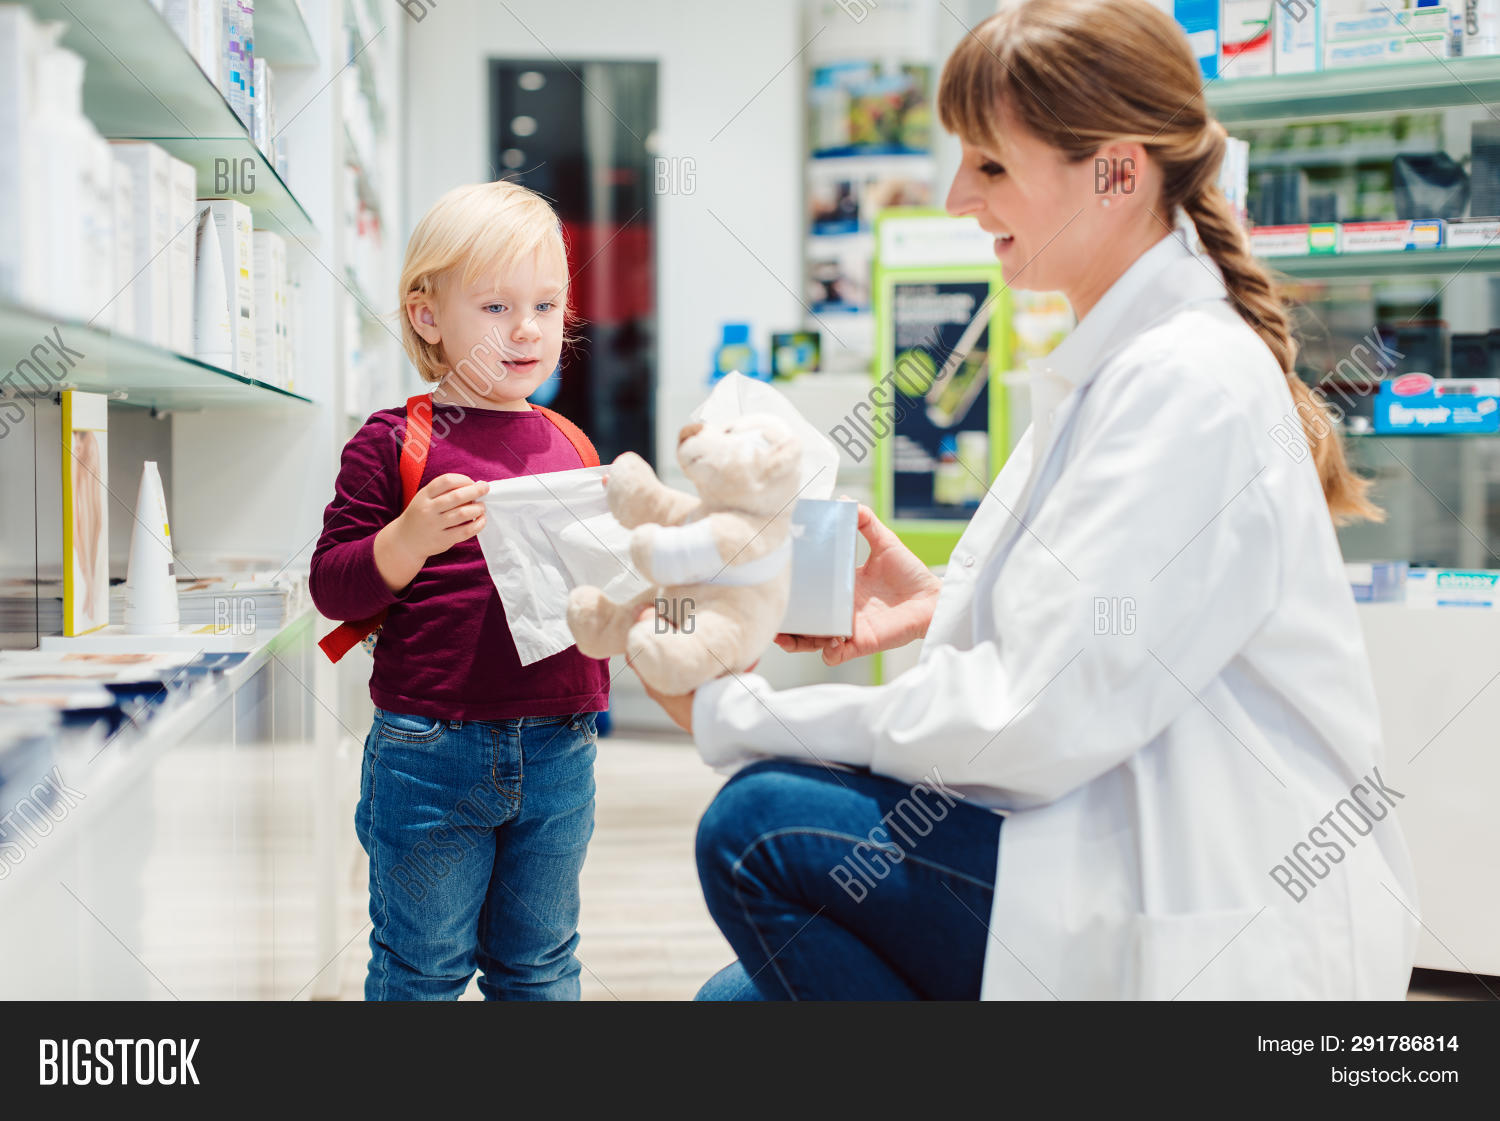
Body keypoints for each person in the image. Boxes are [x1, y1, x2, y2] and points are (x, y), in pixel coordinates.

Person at [641, 0, 1419, 999]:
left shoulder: (1185, 384)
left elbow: (1040, 718)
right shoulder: (1117, 364)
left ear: (1117, 171)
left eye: (993, 166)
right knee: (732, 1007)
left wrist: (734, 711)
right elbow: (1094, 642)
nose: (960, 195)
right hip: (1105, 848)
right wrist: (943, 603)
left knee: (761, 826)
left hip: (1212, 913)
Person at [309, 182, 606, 1000]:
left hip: (561, 744)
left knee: (541, 962)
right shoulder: (394, 441)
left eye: (547, 304)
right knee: (421, 965)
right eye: (498, 305)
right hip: (429, 750)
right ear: (429, 315)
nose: (528, 329)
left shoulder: (573, 446)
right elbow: (333, 585)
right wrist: (404, 541)